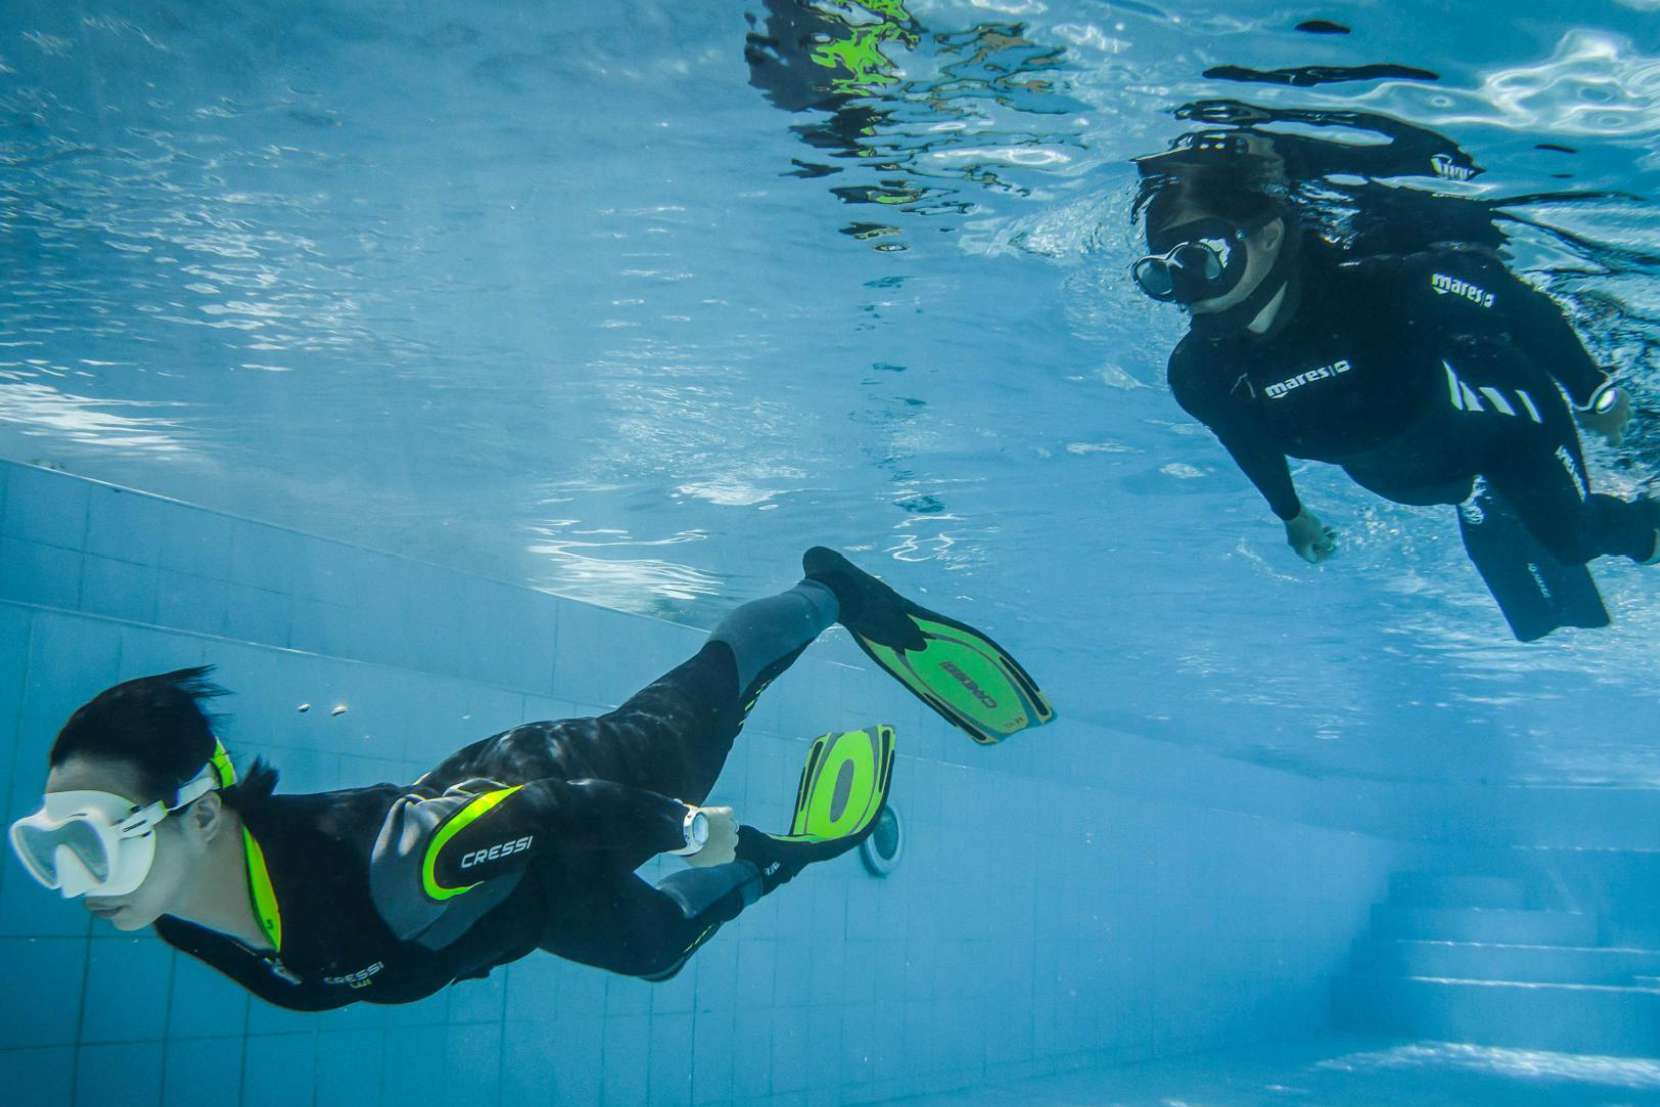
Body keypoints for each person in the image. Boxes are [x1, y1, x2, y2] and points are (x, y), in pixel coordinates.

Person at [7, 548, 1049, 1011]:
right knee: (657, 954)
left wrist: (690, 827)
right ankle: (770, 867)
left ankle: (831, 589)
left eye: (88, 841)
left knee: (707, 694)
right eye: (47, 847)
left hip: (563, 792)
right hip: (518, 903)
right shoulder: (174, 906)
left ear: (196, 815)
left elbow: (557, 809)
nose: (72, 878)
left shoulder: (395, 867)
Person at [1131, 159, 1656, 640]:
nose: (1185, 286)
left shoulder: (1382, 289)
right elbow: (1243, 437)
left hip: (1501, 428)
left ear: (1268, 235)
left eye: (1200, 258)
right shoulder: (1201, 372)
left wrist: (1593, 391)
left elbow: (1514, 303)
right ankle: (1481, 498)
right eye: (1162, 272)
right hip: (1409, 473)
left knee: (1573, 539)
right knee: (1464, 523)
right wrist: (1291, 514)